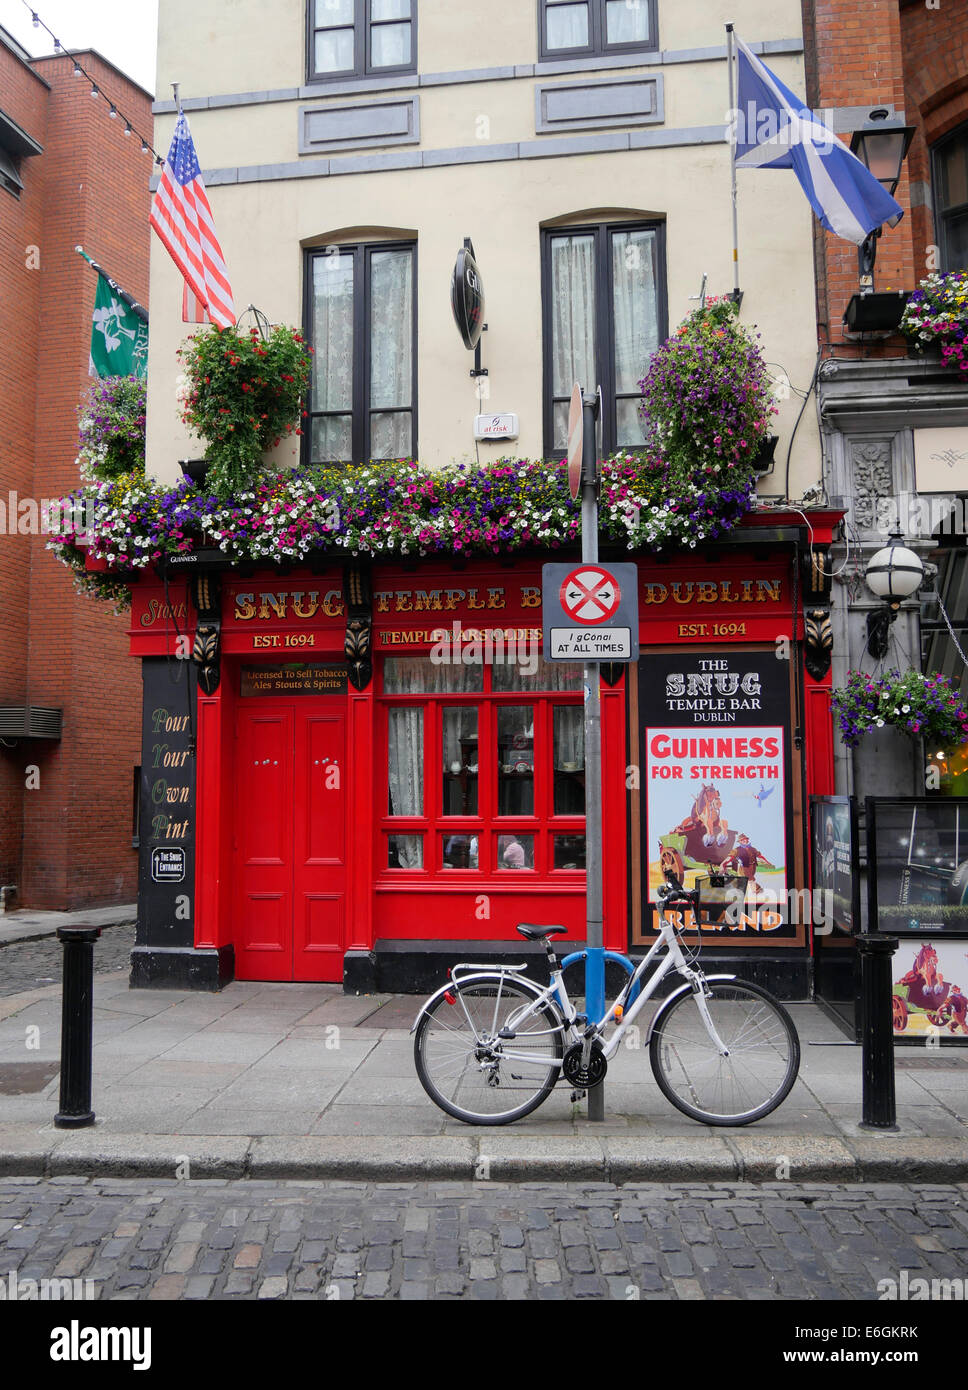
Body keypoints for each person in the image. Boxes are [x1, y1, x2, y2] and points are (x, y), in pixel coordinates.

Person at [720, 833, 769, 897]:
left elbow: (760, 856)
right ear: (740, 842)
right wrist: (723, 863)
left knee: (746, 881)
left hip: (752, 867)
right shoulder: (737, 850)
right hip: (744, 868)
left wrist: (766, 862)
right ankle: (756, 891)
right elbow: (730, 857)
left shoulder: (753, 849)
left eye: (746, 839)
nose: (745, 841)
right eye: (743, 840)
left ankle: (753, 892)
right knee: (750, 880)